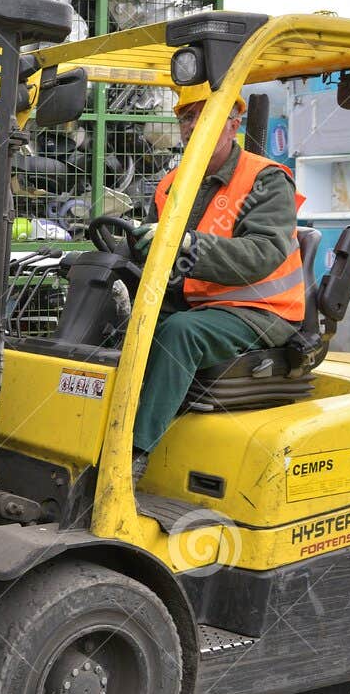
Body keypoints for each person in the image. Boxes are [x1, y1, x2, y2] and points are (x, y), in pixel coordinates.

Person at [125, 84, 306, 484]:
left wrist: (188, 244)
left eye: (205, 115)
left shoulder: (267, 180)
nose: (193, 125)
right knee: (118, 323)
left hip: (262, 310)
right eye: (187, 117)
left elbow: (261, 254)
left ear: (233, 123)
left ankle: (131, 458)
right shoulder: (172, 183)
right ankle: (94, 434)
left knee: (179, 333)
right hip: (201, 302)